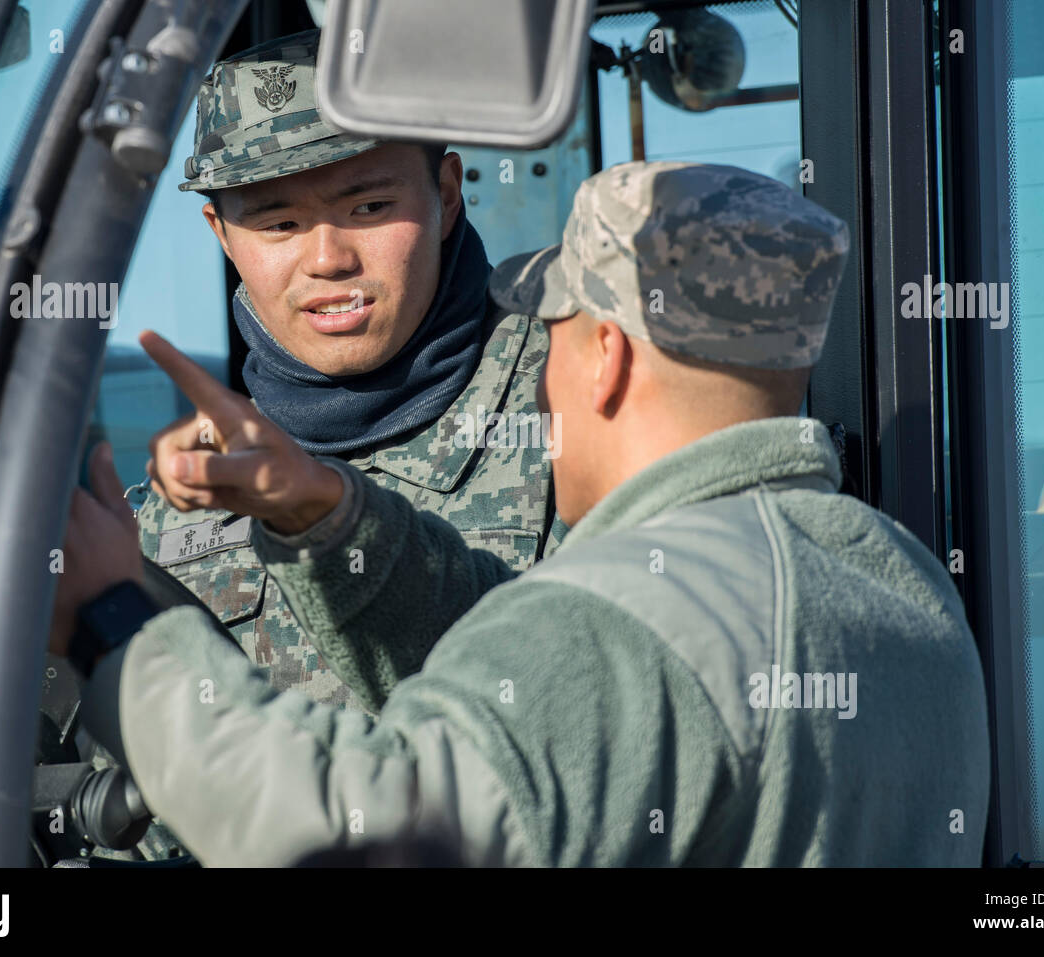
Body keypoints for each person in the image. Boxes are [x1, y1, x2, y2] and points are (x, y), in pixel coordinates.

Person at [58, 161, 991, 866]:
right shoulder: (903, 585)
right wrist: (331, 514)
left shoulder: (616, 621)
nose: (537, 374)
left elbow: (345, 829)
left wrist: (115, 623)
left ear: (607, 358)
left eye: (550, 334)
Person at [138, 28, 562, 712]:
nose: (328, 259)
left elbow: (596, 703)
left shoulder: (579, 402)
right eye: (279, 225)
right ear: (222, 234)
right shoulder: (183, 497)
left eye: (369, 208)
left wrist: (324, 519)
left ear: (447, 194)